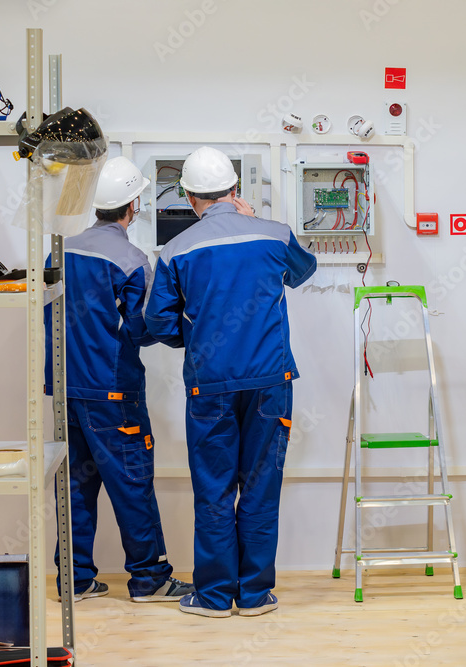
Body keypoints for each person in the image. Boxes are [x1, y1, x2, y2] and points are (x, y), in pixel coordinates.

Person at [145, 146, 317, 618]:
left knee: (215, 488)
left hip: (210, 385)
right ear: (235, 190)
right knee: (261, 486)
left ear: (188, 197)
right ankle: (257, 596)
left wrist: (199, 338)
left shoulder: (177, 249)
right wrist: (257, 220)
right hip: (270, 382)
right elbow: (305, 271)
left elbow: (158, 324)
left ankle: (215, 598)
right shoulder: (274, 234)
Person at [45, 156, 193, 603]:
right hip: (112, 393)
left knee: (73, 486)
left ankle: (75, 580)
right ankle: (150, 579)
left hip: (62, 391)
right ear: (133, 204)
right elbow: (142, 327)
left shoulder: (60, 249)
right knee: (131, 483)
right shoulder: (130, 260)